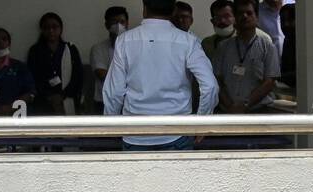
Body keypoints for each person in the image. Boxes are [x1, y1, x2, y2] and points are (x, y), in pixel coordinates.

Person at [103, 0, 218, 151]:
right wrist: (201, 123)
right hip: (178, 134)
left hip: (135, 134)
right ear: (173, 11)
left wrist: (112, 125)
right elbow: (210, 86)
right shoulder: (188, 41)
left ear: (144, 8)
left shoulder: (125, 40)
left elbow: (114, 91)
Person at [214, 0, 280, 114]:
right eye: (240, 13)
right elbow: (216, 80)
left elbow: (269, 82)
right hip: (228, 111)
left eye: (249, 13)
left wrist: (245, 105)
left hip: (258, 112)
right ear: (235, 18)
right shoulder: (223, 47)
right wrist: (231, 106)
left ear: (257, 17)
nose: (244, 16)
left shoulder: (268, 47)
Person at [26, 13, 83, 116]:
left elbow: (78, 75)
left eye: (54, 27)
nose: (51, 30)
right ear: (42, 30)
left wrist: (62, 96)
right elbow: (32, 77)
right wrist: (49, 96)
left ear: (61, 28)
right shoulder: (35, 50)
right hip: (43, 101)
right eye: (47, 27)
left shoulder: (70, 48)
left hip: (67, 98)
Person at [88, 6, 128, 113]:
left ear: (127, 24)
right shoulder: (98, 48)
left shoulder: (133, 48)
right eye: (114, 22)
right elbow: (102, 74)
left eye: (122, 21)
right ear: (106, 25)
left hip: (127, 102)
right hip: (103, 101)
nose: (118, 25)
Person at [278, 2, 295, 90]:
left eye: (290, 20)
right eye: (283, 21)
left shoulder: (305, 42)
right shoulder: (288, 39)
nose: (286, 24)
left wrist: (275, 77)